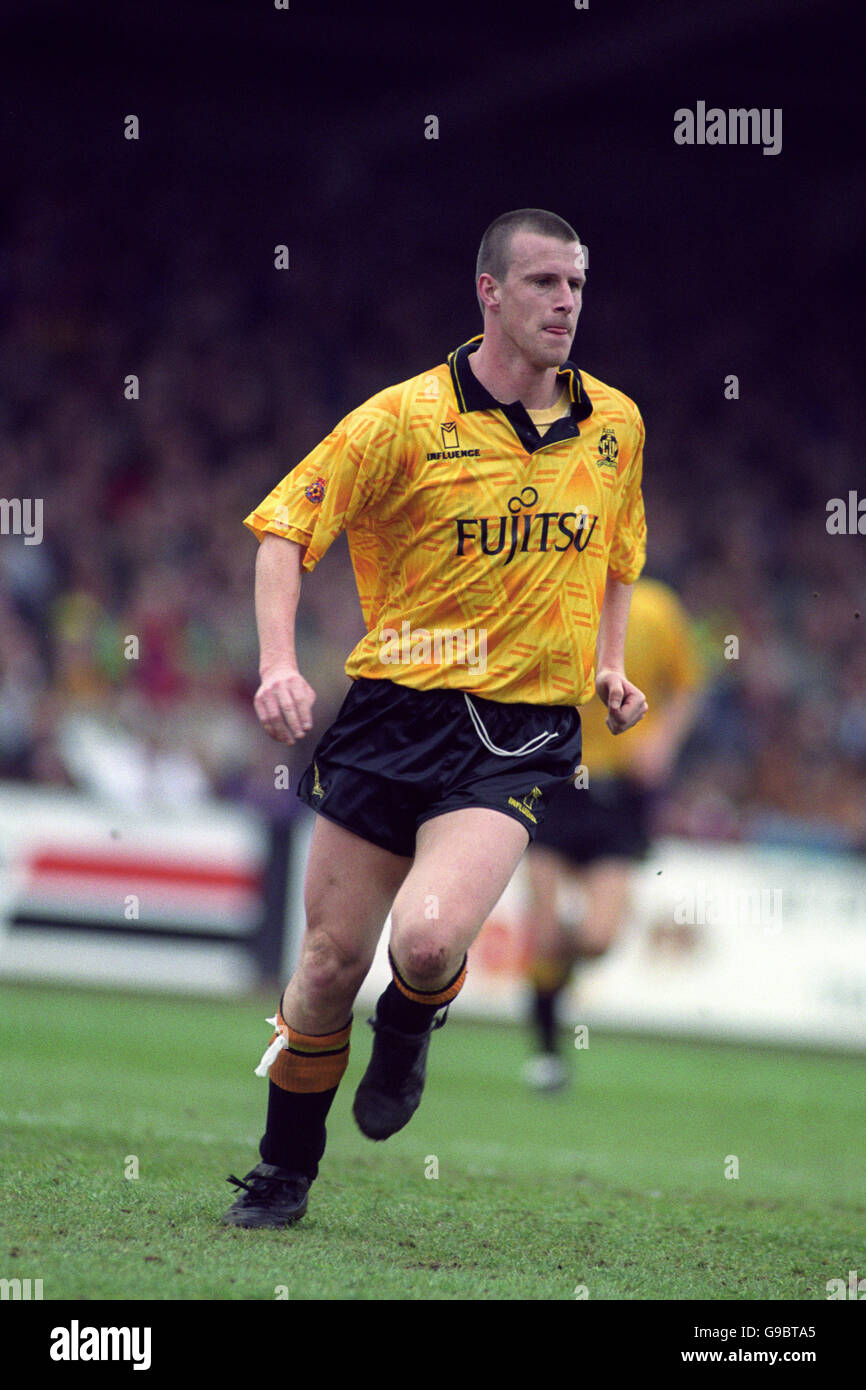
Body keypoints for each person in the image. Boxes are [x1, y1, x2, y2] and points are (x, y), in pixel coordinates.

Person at [222, 208, 649, 1229]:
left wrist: (607, 663)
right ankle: (283, 1175)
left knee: (421, 945)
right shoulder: (401, 419)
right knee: (326, 965)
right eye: (543, 283)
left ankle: (409, 1029)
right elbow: (283, 530)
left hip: (516, 733)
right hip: (388, 717)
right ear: (488, 294)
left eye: (576, 285)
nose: (564, 304)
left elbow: (620, 554)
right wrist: (278, 664)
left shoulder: (615, 424)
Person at [522, 576, 704, 1090]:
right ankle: (547, 1051)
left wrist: (663, 743)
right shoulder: (551, 588)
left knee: (598, 939)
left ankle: (553, 985)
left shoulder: (657, 608)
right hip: (552, 779)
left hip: (618, 794)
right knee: (546, 929)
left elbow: (687, 686)